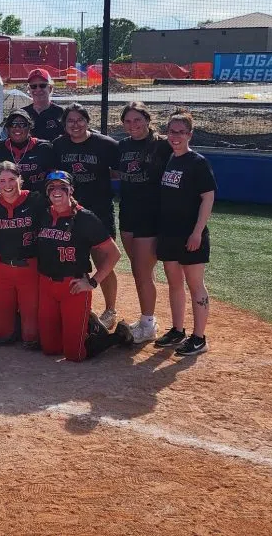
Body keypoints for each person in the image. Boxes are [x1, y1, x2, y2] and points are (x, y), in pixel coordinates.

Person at [35, 170, 133, 362]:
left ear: (71, 189)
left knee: (74, 354)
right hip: (46, 285)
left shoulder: (84, 217)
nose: (57, 191)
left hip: (73, 286)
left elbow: (114, 253)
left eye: (62, 186)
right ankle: (87, 324)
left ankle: (116, 336)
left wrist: (93, 282)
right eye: (51, 187)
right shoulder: (44, 214)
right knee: (50, 349)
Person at [153, 109, 217, 357]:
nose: (176, 136)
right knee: (174, 282)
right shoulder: (170, 159)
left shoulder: (197, 162)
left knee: (195, 285)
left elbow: (208, 198)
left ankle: (199, 337)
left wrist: (197, 233)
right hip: (169, 233)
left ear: (190, 134)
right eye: (172, 131)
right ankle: (178, 330)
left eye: (181, 132)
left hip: (190, 234)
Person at [52, 103, 121, 328]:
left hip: (99, 210)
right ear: (64, 125)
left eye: (80, 120)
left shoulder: (106, 144)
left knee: (103, 261)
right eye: (70, 121)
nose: (76, 125)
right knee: (74, 259)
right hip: (70, 213)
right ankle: (79, 306)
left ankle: (110, 310)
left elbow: (122, 169)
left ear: (87, 121)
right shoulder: (59, 145)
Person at [117, 102, 174, 344]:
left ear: (147, 119)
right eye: (128, 121)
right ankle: (146, 320)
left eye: (137, 120)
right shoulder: (122, 146)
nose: (133, 125)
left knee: (143, 271)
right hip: (127, 213)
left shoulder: (162, 145)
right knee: (137, 270)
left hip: (150, 215)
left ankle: (148, 323)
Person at [0, 161, 45, 347]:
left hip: (30, 265)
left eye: (12, 179)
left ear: (21, 179)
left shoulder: (36, 200)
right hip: (2, 267)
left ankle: (23, 323)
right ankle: (15, 322)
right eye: (2, 181)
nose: (8, 185)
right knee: (0, 334)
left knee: (32, 336)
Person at [0, 109, 54, 193]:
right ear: (7, 128)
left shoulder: (44, 147)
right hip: (7, 197)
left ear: (29, 127)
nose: (17, 128)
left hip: (37, 198)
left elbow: (54, 175)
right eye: (13, 124)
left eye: (22, 124)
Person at [21, 68, 64, 141]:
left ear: (50, 88)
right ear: (29, 90)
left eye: (42, 85)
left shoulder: (61, 113)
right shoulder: (22, 114)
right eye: (33, 86)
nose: (38, 89)